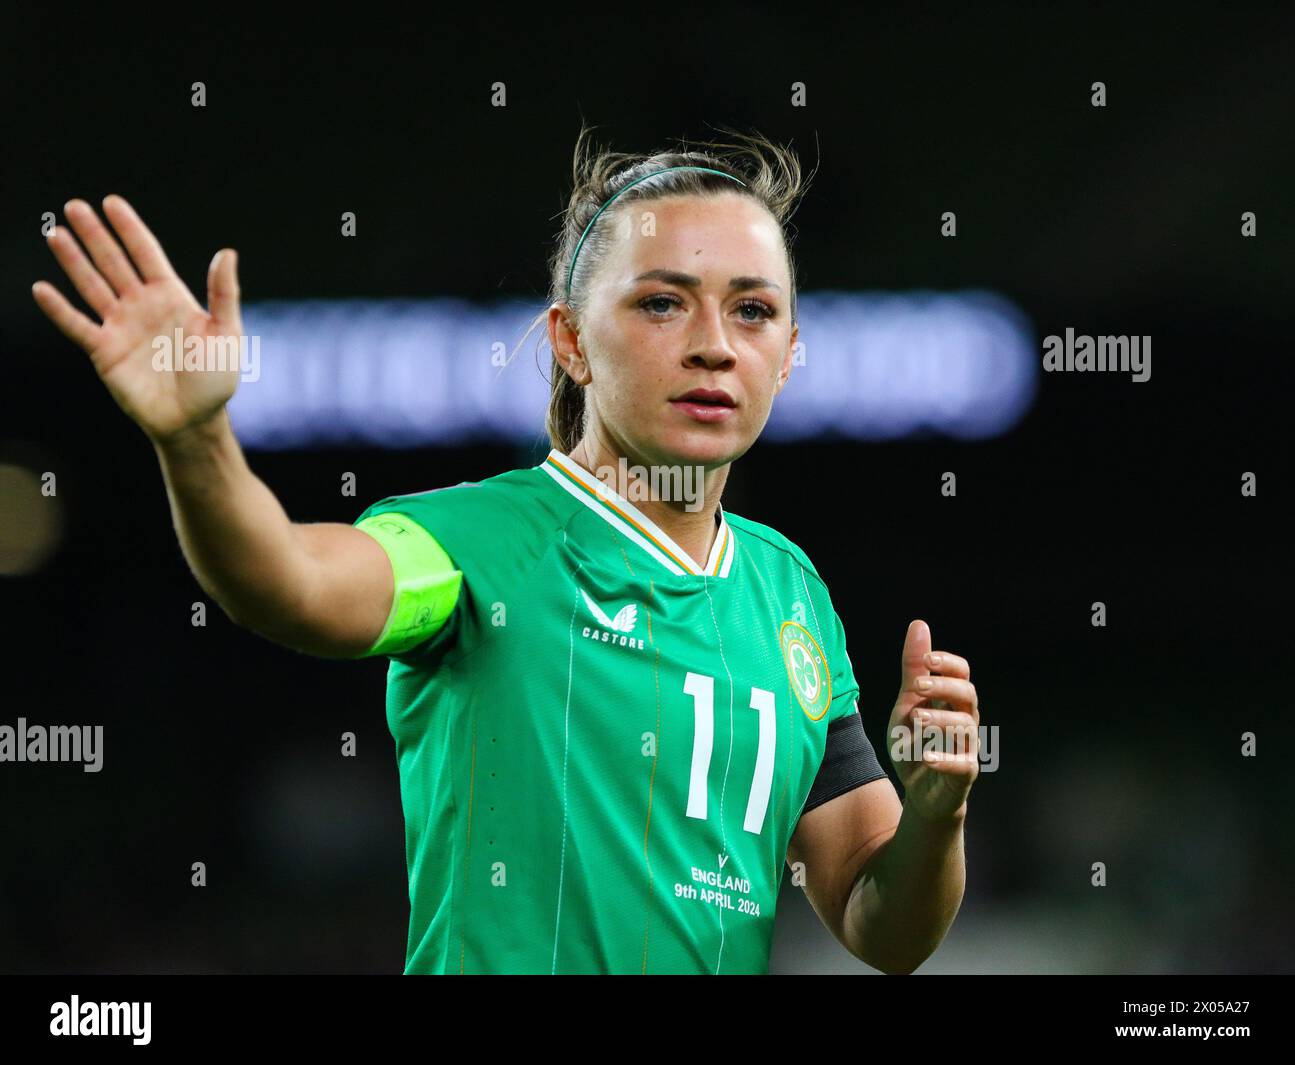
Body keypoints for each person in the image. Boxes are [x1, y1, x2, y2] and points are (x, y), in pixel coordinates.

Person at [31, 127, 982, 975]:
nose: (712, 346)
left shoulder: (789, 592)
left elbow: (880, 925)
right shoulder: (482, 540)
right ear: (571, 340)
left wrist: (936, 816)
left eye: (753, 310)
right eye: (661, 303)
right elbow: (284, 582)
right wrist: (196, 440)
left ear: (789, 349)